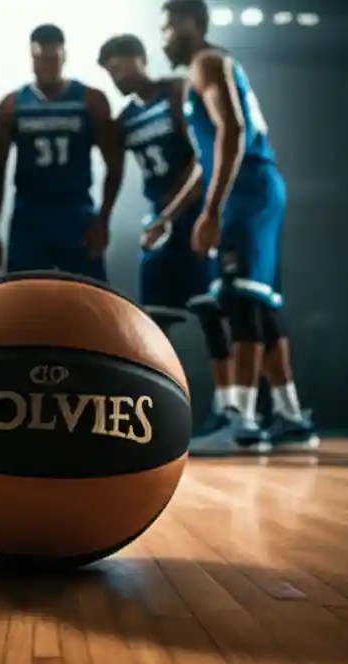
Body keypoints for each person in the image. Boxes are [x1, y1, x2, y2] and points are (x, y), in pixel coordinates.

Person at [157, 0, 318, 452]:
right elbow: (206, 161)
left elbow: (233, 130)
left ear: (192, 23)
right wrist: (170, 216)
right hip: (254, 188)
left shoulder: (208, 62)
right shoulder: (204, 70)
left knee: (241, 298)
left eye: (168, 28)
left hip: (247, 189)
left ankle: (242, 423)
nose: (163, 38)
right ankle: (290, 417)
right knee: (259, 302)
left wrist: (211, 211)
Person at [97, 34, 240, 455]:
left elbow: (203, 156)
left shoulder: (176, 93)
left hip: (190, 215)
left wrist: (180, 212)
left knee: (212, 314)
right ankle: (155, 414)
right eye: (109, 71)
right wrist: (104, 216)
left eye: (120, 66)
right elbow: (115, 171)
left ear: (141, 60)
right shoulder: (125, 118)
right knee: (154, 326)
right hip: (158, 225)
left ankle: (231, 408)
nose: (116, 75)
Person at [0, 24, 122, 281]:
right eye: (40, 59)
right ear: (30, 59)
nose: (47, 66)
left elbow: (114, 164)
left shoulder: (91, 100)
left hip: (75, 208)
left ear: (64, 57)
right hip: (29, 213)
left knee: (88, 300)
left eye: (52, 59)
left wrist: (103, 219)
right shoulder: (12, 105)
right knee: (23, 301)